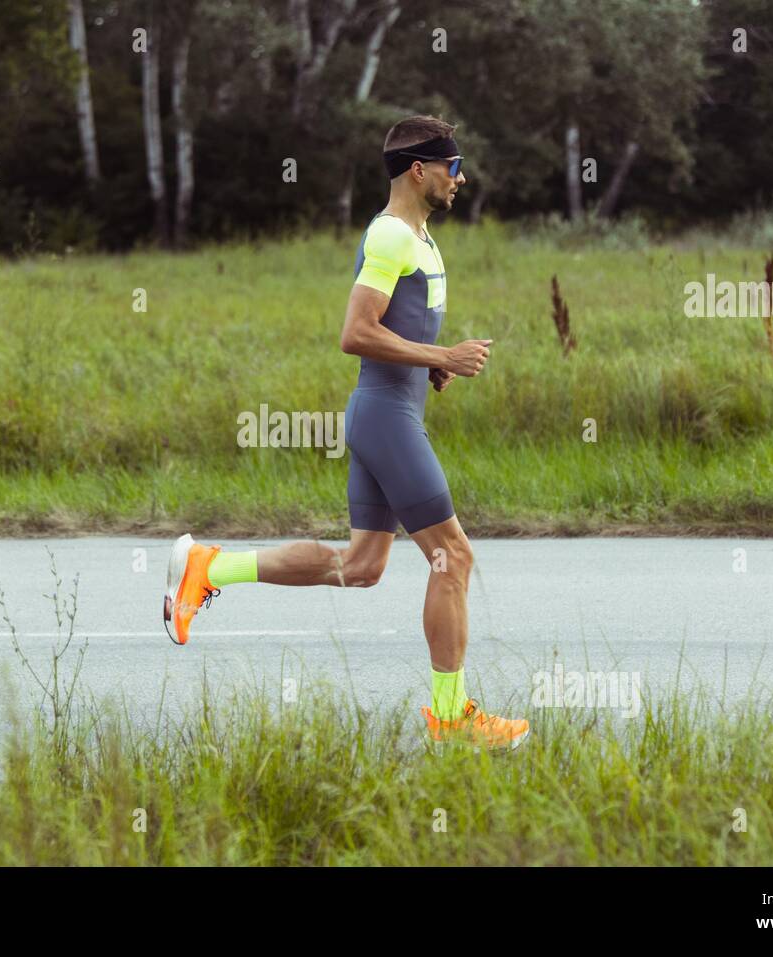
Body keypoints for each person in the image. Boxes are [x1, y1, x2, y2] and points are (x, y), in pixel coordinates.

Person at [163, 115, 528, 751]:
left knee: (360, 567)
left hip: (387, 413)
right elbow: (355, 333)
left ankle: (210, 566)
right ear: (421, 171)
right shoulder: (391, 235)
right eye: (453, 167)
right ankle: (450, 719)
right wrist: (441, 357)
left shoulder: (419, 236)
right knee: (454, 557)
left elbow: (396, 329)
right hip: (385, 420)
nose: (461, 179)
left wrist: (426, 363)